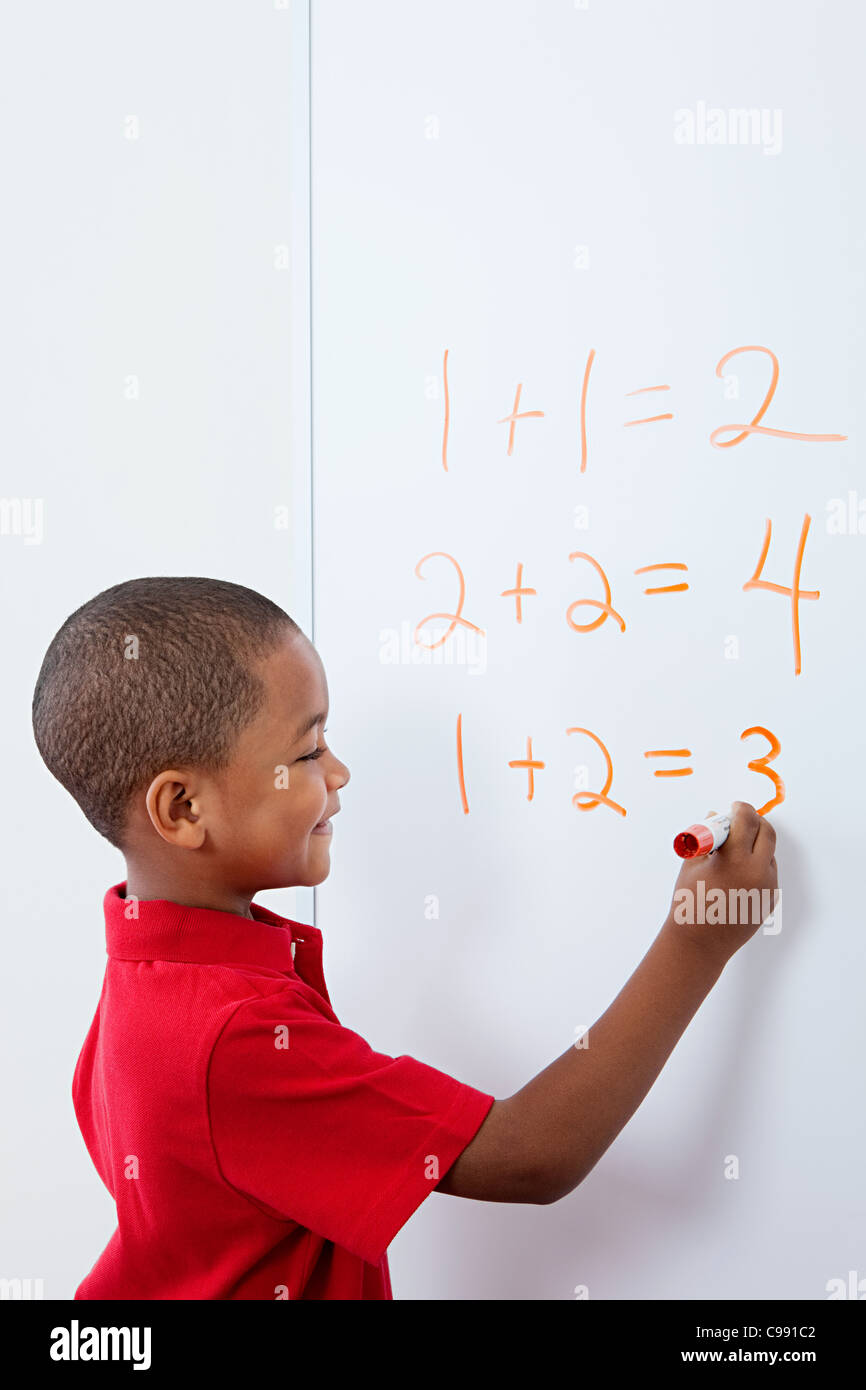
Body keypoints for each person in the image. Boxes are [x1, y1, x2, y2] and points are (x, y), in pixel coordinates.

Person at [31, 576, 778, 1299]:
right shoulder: (234, 1034)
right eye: (308, 752)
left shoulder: (148, 969)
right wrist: (696, 943)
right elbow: (535, 1158)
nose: (339, 771)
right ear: (184, 807)